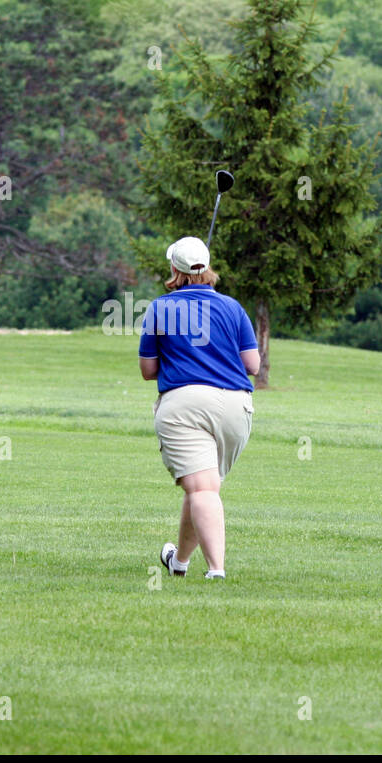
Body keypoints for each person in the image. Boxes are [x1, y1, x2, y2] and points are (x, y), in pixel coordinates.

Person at [138, 235, 259, 580]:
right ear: (207, 269)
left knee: (203, 489)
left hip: (185, 404)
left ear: (174, 269)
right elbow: (252, 364)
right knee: (202, 486)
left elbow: (148, 371)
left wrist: (182, 359)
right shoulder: (233, 307)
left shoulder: (161, 307)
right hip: (237, 407)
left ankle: (217, 570)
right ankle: (178, 562)